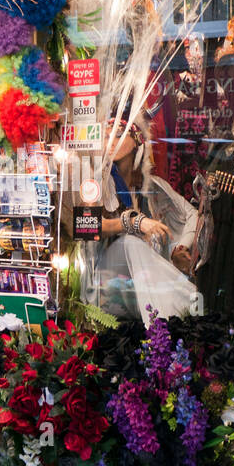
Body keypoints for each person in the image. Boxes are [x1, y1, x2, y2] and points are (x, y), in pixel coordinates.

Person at [76, 116, 200, 323]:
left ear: (137, 140)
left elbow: (193, 214)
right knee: (131, 243)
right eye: (105, 137)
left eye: (118, 134)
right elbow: (83, 225)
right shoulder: (98, 182)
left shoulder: (153, 185)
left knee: (141, 248)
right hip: (107, 280)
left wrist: (180, 248)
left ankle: (174, 322)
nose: (111, 141)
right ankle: (178, 315)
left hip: (143, 283)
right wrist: (132, 222)